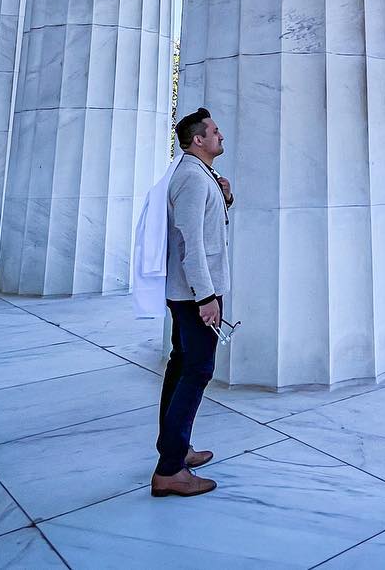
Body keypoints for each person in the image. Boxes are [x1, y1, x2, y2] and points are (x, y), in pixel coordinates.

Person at [151, 107, 234, 497]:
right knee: (197, 370)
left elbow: (203, 226)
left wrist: (226, 197)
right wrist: (206, 297)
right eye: (214, 131)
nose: (221, 135)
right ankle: (170, 469)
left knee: (182, 365)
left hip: (190, 293)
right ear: (198, 139)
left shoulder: (200, 175)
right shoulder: (192, 177)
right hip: (194, 294)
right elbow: (190, 242)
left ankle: (176, 448)